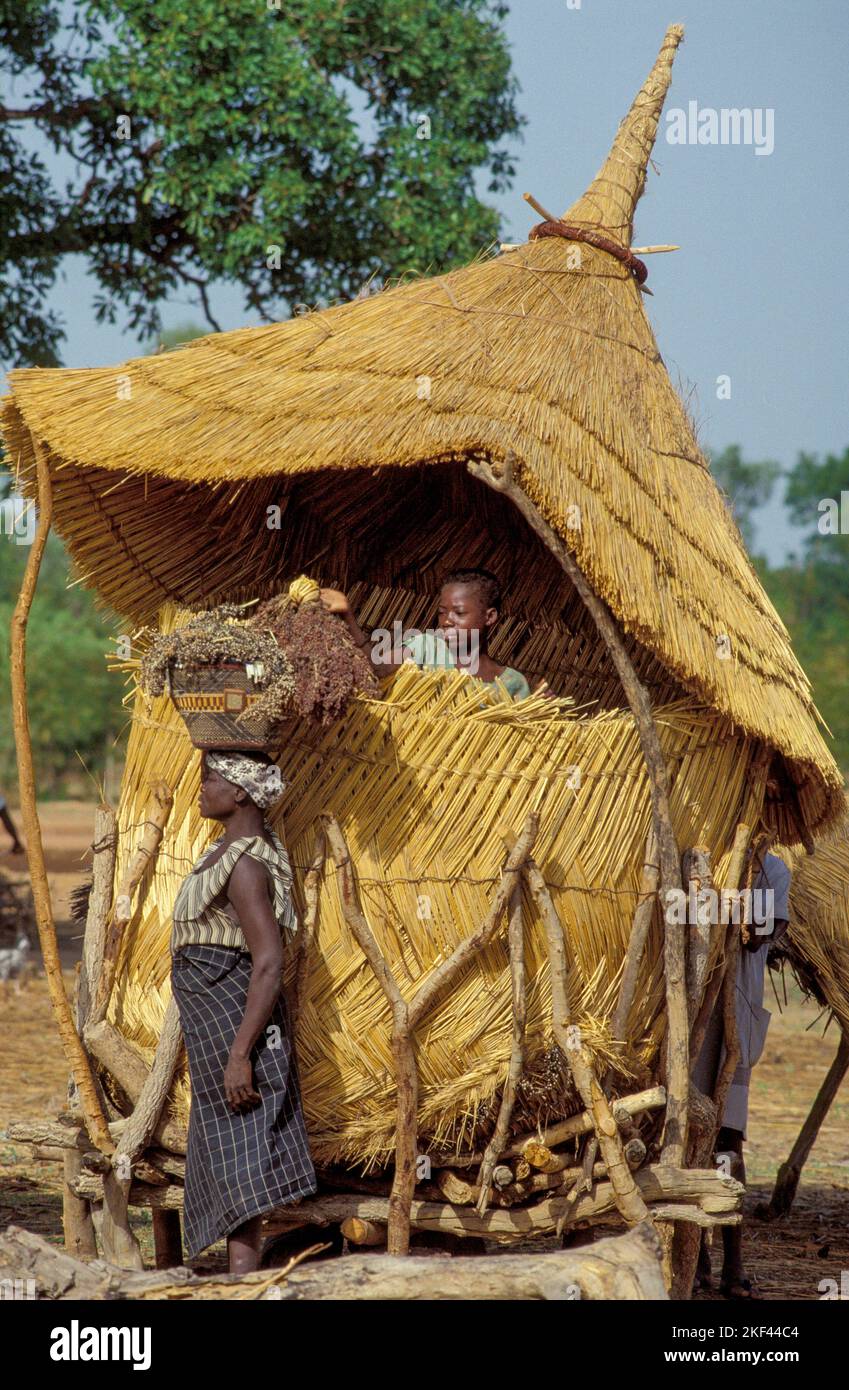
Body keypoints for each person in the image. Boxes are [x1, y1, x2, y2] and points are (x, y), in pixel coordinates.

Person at [170, 749, 317, 1273]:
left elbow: (269, 964)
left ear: (240, 793)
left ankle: (242, 1284)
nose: (201, 788)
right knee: (228, 1150)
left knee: (243, 1153)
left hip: (238, 1031)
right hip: (218, 1027)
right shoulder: (223, 853)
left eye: (210, 779)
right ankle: (240, 1280)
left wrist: (239, 1054)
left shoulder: (248, 864)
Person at [693, 846, 792, 1300]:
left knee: (727, 1139)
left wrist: (744, 919)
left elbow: (762, 934)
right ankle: (694, 1258)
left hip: (735, 1018)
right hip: (691, 1019)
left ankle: (733, 1264)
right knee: (686, 1136)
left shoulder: (772, 870)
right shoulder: (697, 854)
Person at [320, 568, 533, 701]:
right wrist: (348, 617)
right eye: (442, 612)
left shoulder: (512, 683)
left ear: (490, 617)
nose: (447, 620)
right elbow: (376, 669)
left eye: (459, 613)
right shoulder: (426, 648)